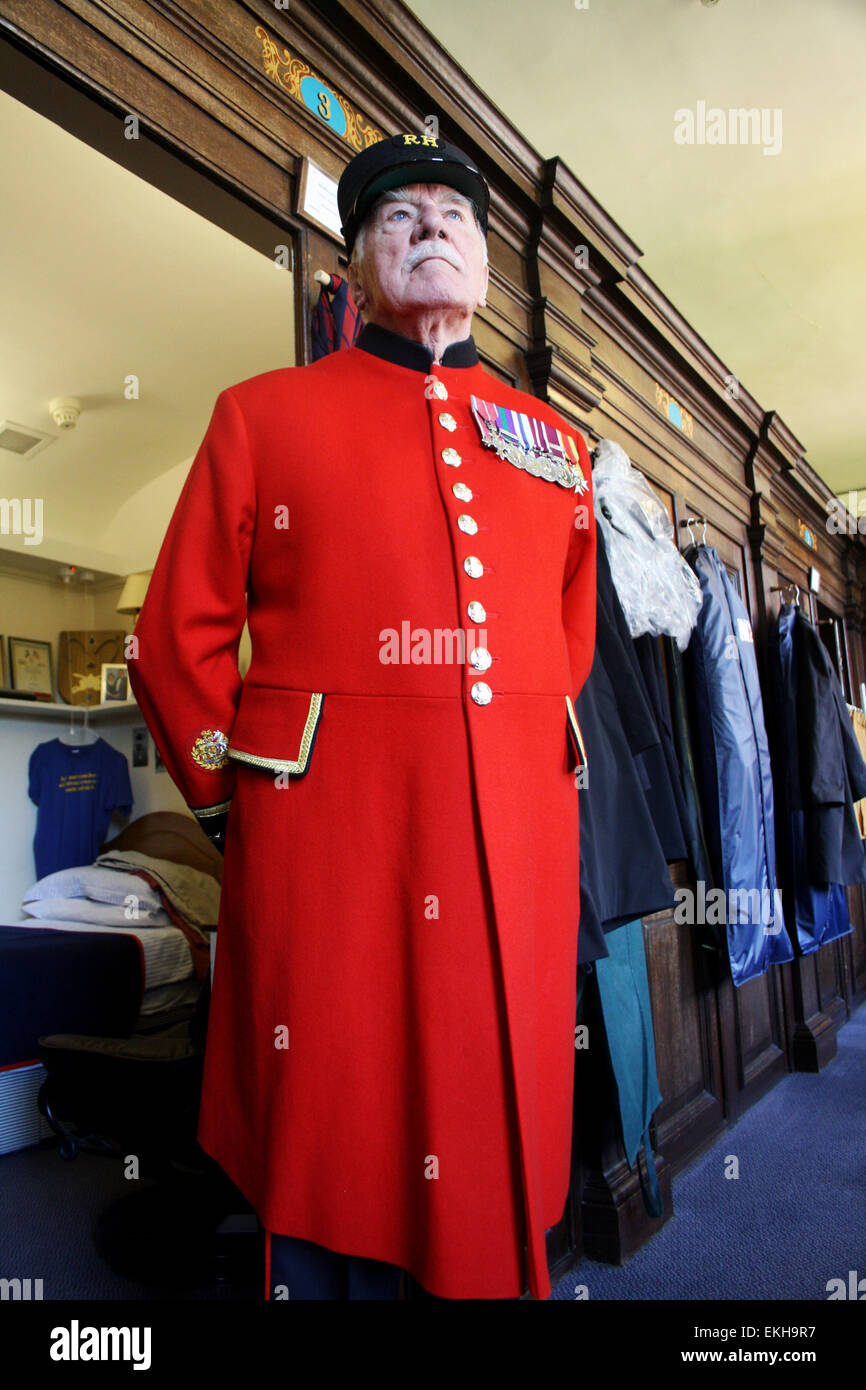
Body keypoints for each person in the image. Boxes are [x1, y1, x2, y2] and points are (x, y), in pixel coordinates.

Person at [127, 132, 596, 1301]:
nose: (431, 227)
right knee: (341, 1127)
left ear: (484, 262)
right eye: (400, 217)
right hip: (335, 855)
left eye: (453, 216)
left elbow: (565, 645)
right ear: (354, 266)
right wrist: (243, 806)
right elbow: (172, 637)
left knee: (494, 1129)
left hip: (516, 858)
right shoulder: (263, 416)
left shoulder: (562, 449)